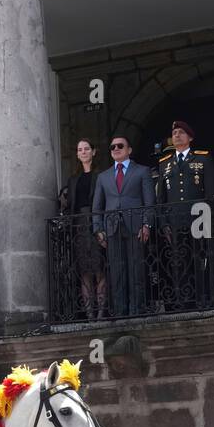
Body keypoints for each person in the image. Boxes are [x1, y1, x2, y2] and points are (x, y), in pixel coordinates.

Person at [153, 121, 214, 309]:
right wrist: (164, 223)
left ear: (190, 137)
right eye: (174, 133)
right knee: (178, 263)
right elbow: (161, 199)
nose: (177, 135)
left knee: (200, 259)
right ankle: (183, 301)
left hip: (197, 219)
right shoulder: (164, 163)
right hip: (175, 222)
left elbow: (212, 191)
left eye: (181, 132)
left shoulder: (203, 158)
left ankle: (202, 299)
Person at [92, 135, 155, 317]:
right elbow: (97, 206)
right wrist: (98, 229)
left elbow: (149, 201)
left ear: (129, 150)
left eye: (120, 146)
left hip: (135, 227)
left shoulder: (142, 171)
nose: (116, 149)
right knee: (117, 272)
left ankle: (137, 310)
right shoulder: (103, 177)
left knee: (136, 270)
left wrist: (147, 224)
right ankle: (120, 312)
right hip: (112, 228)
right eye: (112, 147)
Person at [63, 138, 105, 319]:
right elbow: (70, 204)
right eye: (80, 150)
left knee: (100, 269)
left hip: (96, 223)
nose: (83, 152)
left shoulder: (101, 175)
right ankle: (89, 313)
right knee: (84, 270)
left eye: (87, 149)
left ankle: (102, 312)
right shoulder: (73, 180)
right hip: (79, 226)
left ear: (93, 152)